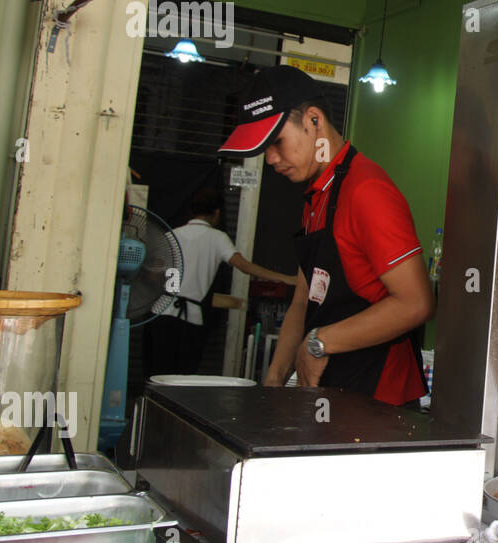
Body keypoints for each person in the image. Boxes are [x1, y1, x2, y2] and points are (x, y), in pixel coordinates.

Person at [218, 65, 434, 405]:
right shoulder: (317, 197)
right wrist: (272, 384)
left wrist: (320, 342)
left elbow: (416, 303)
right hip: (331, 394)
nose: (271, 159)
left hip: (379, 404)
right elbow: (303, 300)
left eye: (277, 142)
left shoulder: (367, 191)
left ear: (314, 120)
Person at [146, 187, 297, 378]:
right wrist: (286, 279)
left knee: (158, 373)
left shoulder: (172, 235)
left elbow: (153, 276)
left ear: (192, 211)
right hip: (190, 317)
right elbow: (244, 266)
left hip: (161, 312)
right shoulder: (218, 238)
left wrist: (176, 281)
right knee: (183, 377)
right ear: (217, 213)